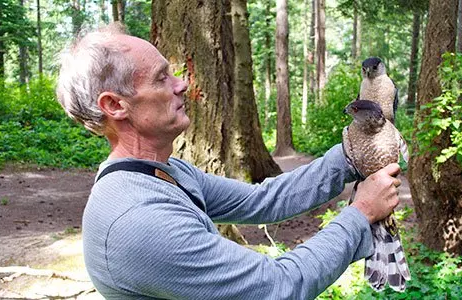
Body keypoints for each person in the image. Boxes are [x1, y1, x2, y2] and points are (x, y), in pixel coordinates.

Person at [56, 24, 401, 299]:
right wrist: (360, 214)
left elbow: (262, 200)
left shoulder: (160, 172)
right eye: (162, 78)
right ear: (115, 105)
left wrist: (351, 153)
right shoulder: (137, 219)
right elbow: (278, 287)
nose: (182, 84)